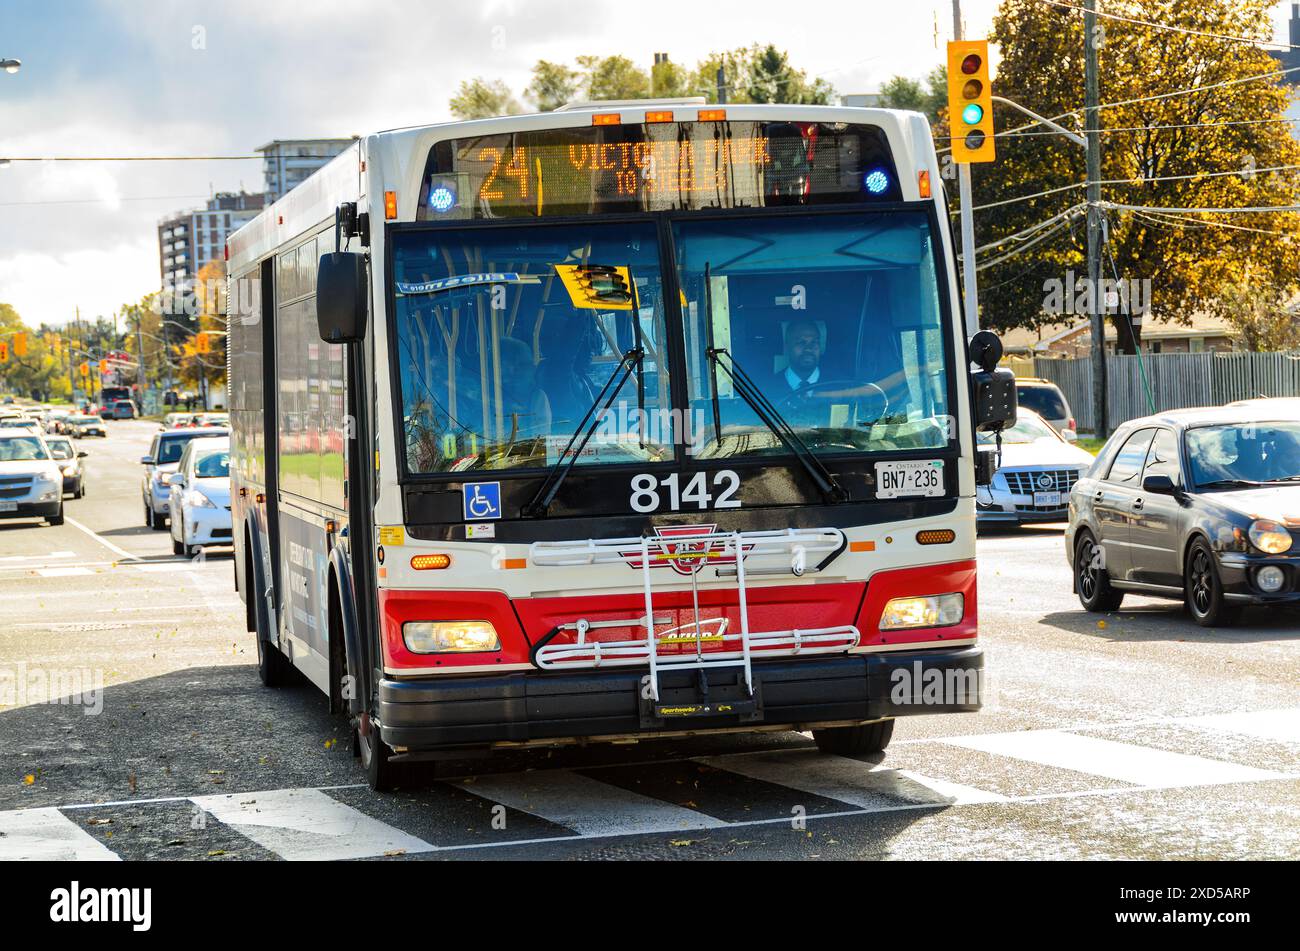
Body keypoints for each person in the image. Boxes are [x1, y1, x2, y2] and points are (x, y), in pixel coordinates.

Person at [771, 319, 824, 394]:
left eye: (814, 342)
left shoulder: (838, 385)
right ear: (787, 347)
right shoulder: (768, 387)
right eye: (801, 342)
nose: (808, 348)